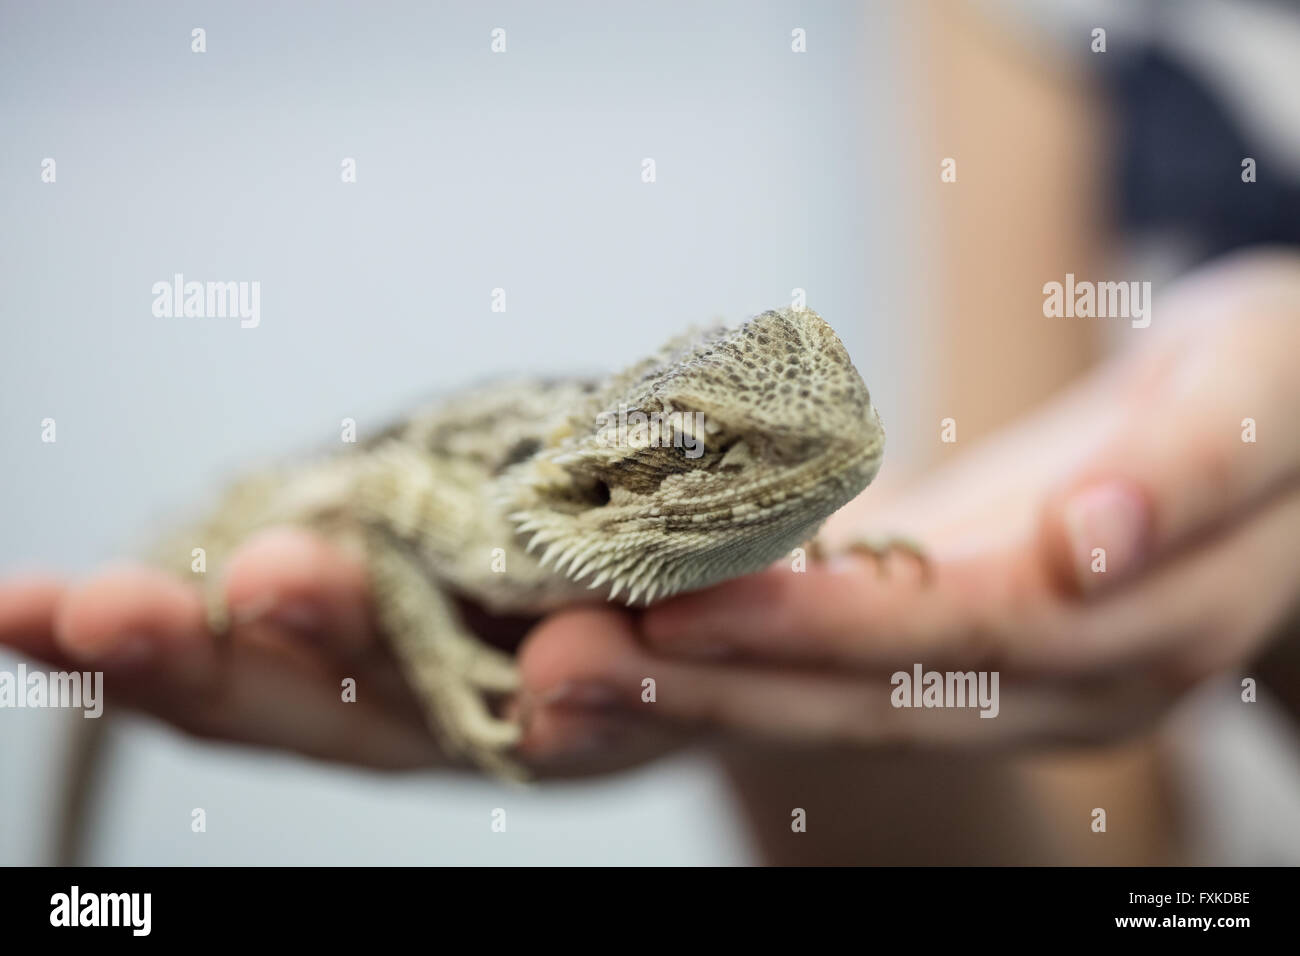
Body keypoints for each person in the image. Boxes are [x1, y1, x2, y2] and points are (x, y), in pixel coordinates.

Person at [4, 3, 1298, 863]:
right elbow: (391, 508)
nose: (841, 459)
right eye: (747, 459)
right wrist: (455, 673)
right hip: (286, 515)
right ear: (628, 493)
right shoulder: (509, 531)